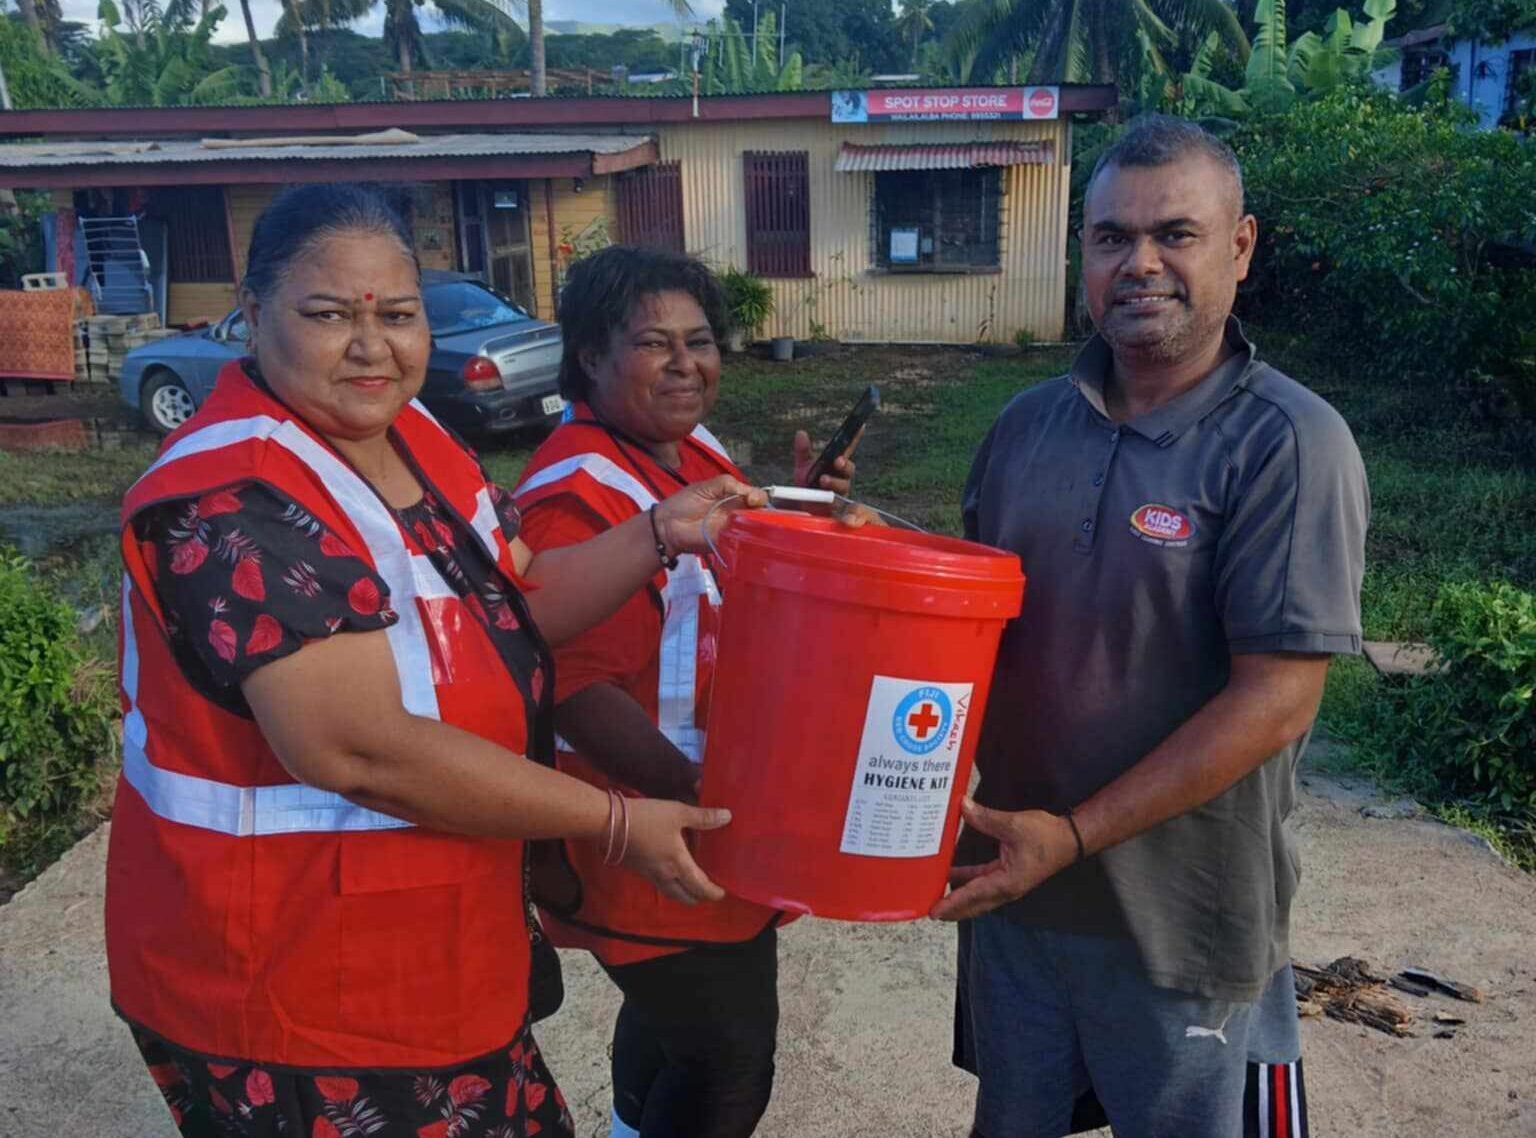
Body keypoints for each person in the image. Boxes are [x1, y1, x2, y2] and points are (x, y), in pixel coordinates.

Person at [107, 184, 768, 1138]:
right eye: (329, 314)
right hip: (290, 976)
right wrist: (616, 820)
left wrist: (661, 531)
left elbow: (518, 597)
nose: (371, 346)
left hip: (424, 938)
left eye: (398, 315)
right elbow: (356, 748)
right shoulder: (231, 496)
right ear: (251, 314)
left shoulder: (411, 436)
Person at [936, 116, 1370, 1138]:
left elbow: (1278, 698)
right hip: (1019, 893)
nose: (1139, 263)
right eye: (1110, 237)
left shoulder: (1288, 443)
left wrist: (1075, 835)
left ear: (1241, 247)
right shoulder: (1025, 426)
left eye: (1175, 234)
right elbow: (967, 615)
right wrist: (856, 546)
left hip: (1186, 921)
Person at [513, 245, 858, 1138]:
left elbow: (715, 576)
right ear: (591, 356)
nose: (684, 364)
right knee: (728, 1058)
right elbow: (570, 684)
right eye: (653, 343)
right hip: (646, 828)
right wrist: (694, 792)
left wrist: (800, 509)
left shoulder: (684, 450)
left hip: (694, 807)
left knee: (674, 1025)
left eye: (699, 342)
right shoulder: (578, 492)